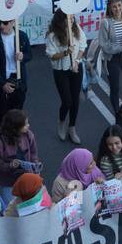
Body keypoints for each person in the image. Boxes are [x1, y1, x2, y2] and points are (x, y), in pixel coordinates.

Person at [45, 10, 86, 145]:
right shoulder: (52, 36)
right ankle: (62, 121)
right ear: (60, 20)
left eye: (72, 18)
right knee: (67, 101)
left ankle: (72, 127)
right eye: (68, 18)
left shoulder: (76, 29)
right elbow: (51, 55)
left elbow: (82, 46)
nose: (72, 21)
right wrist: (65, 53)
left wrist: (77, 61)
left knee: (75, 101)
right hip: (60, 71)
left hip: (75, 69)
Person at [0, 16, 30, 130]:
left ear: (13, 22)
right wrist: (2, 84)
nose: (1, 26)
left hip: (18, 79)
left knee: (17, 112)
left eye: (4, 23)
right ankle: (2, 138)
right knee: (2, 113)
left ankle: (15, 136)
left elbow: (29, 54)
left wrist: (23, 56)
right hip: (2, 80)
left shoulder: (22, 36)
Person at [0, 110, 41, 209]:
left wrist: (35, 164)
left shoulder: (29, 135)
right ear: (15, 128)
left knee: (32, 207)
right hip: (9, 184)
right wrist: (10, 165)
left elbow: (34, 153)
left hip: (27, 180)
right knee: (11, 209)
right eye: (25, 124)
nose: (28, 126)